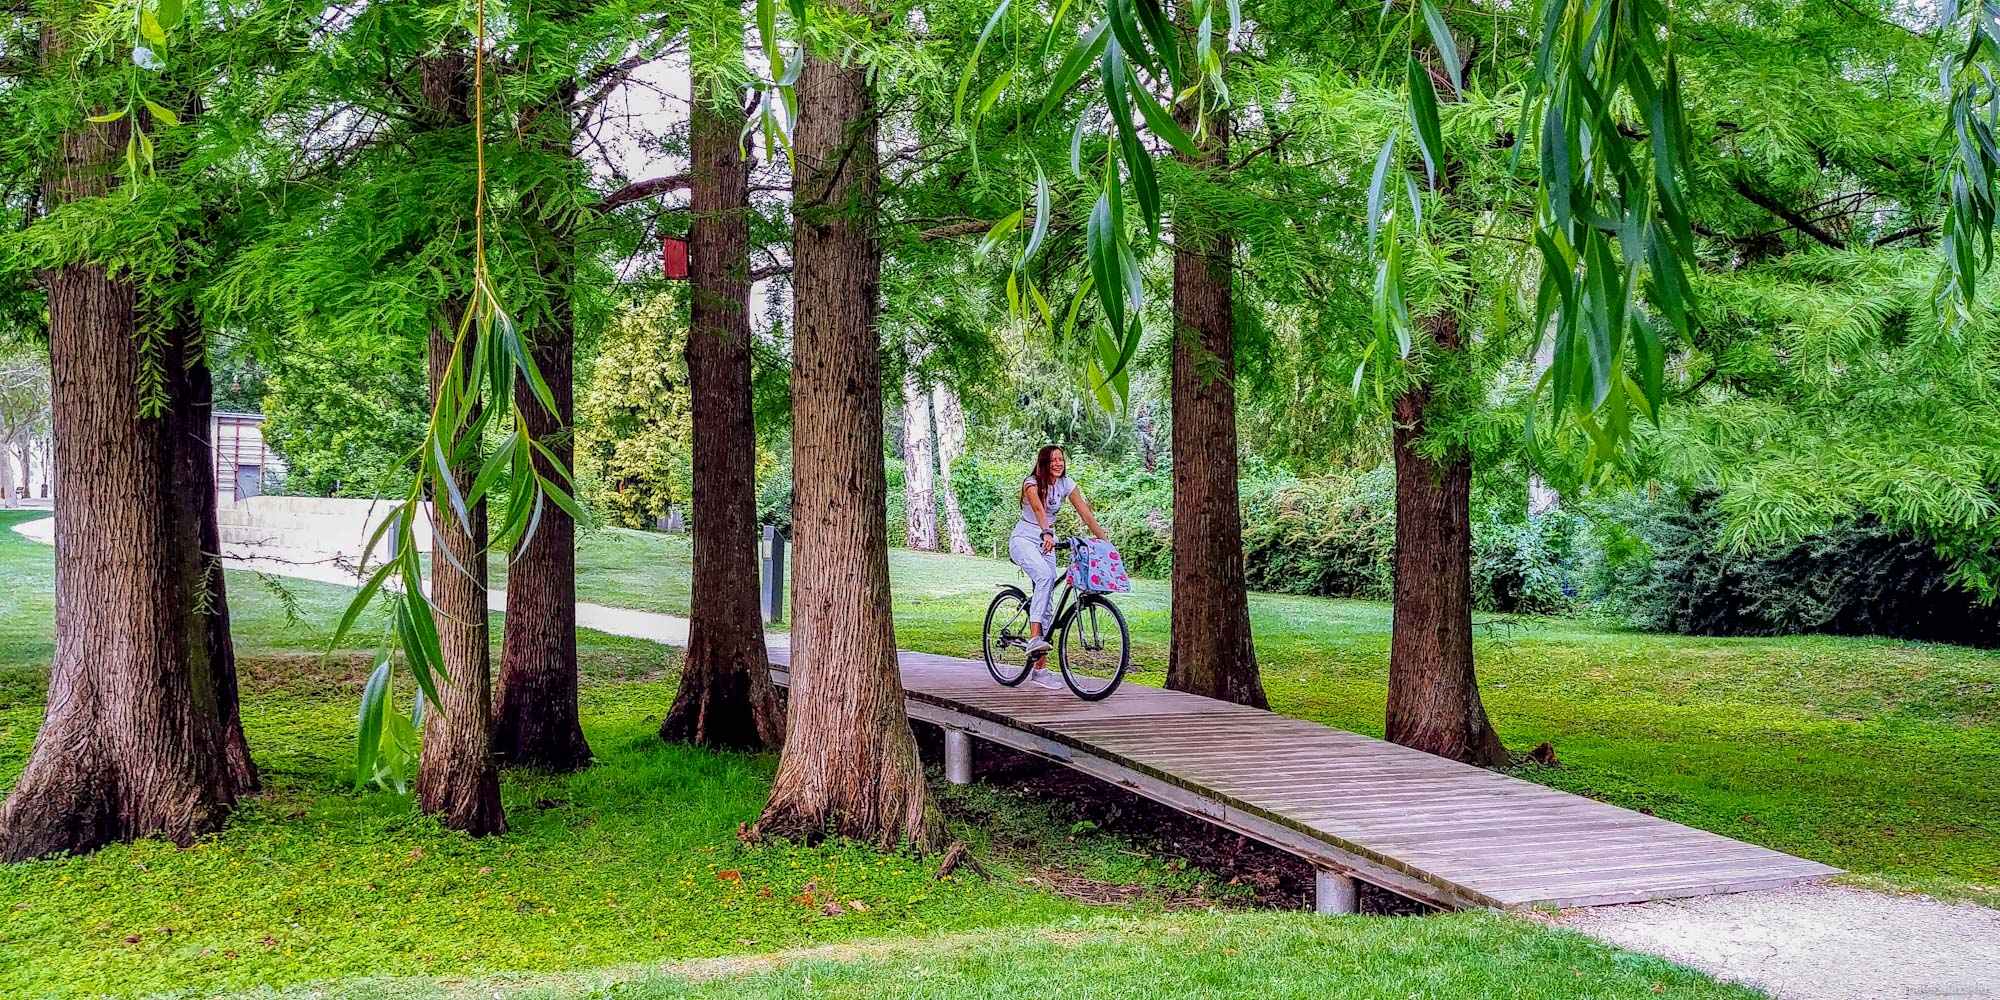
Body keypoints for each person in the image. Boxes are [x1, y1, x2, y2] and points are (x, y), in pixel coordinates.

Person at [1009, 445, 1109, 688]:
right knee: (1044, 577)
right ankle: (1034, 639)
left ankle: (1040, 671)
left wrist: (1106, 542)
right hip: (1025, 538)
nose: (1058, 463)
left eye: (1061, 459)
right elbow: (1038, 509)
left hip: (1047, 542)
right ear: (1044, 462)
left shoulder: (1066, 484)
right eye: (1053, 460)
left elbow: (1085, 512)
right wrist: (1045, 532)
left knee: (1048, 602)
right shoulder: (1031, 483)